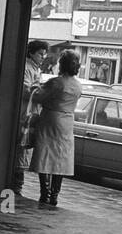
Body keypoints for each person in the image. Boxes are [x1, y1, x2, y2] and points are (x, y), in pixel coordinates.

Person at [30, 51, 83, 207]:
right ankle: (55, 194)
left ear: (61, 65)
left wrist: (35, 86)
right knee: (61, 157)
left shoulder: (56, 83)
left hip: (50, 118)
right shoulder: (78, 85)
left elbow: (38, 97)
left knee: (45, 152)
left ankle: (44, 192)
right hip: (67, 122)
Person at [14, 40, 49, 197]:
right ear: (31, 53)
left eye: (44, 54)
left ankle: (17, 184)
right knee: (21, 149)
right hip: (24, 115)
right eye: (40, 54)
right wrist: (39, 93)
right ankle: (16, 186)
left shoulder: (35, 69)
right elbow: (26, 91)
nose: (43, 57)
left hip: (28, 114)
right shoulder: (28, 69)